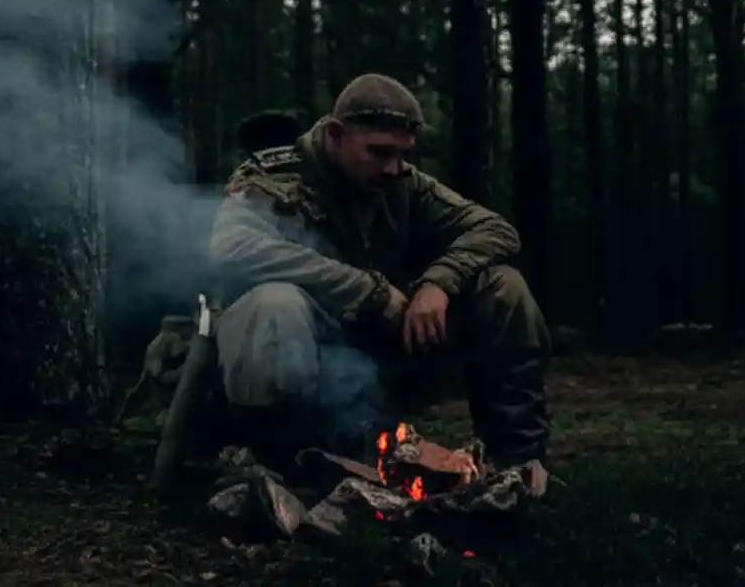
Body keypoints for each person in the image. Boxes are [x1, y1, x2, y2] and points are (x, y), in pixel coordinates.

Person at [208, 73, 551, 492]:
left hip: (382, 351)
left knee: (503, 287)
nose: (392, 168)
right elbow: (233, 247)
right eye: (379, 152)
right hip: (308, 354)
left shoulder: (401, 182)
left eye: (402, 154)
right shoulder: (275, 178)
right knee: (273, 303)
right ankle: (282, 472)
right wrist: (366, 290)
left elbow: (495, 229)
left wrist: (439, 282)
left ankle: (517, 465)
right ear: (336, 135)